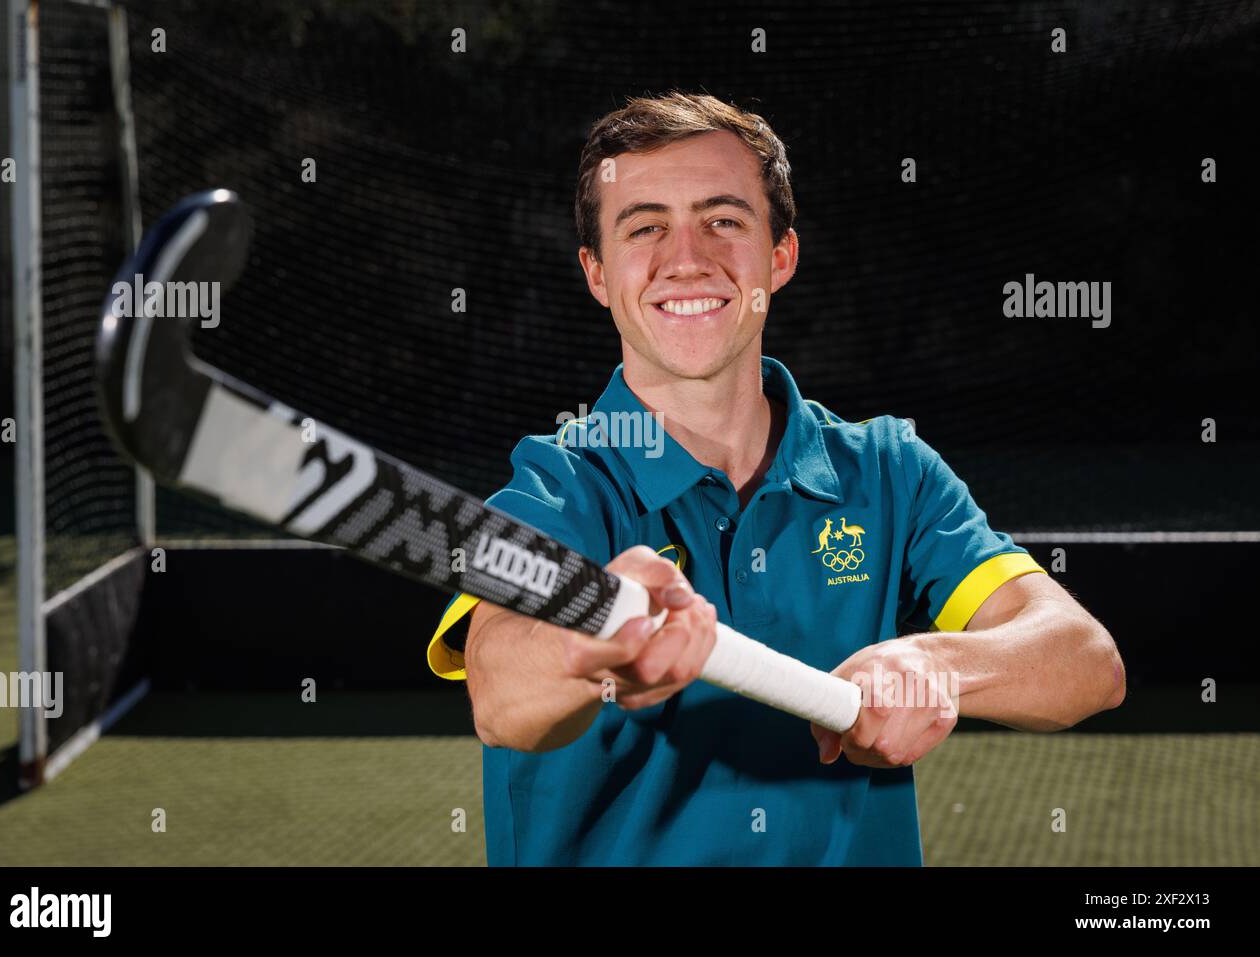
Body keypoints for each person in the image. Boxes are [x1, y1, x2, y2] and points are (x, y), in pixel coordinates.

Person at [426, 91, 1125, 865]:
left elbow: (1087, 661)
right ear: (596, 272)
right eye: (645, 225)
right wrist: (594, 642)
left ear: (780, 255)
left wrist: (937, 665)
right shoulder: (554, 486)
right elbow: (499, 690)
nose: (686, 257)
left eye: (723, 220)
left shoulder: (890, 470)